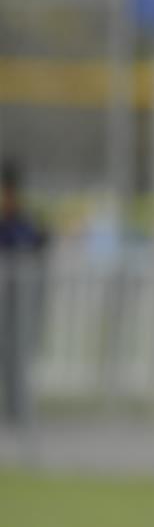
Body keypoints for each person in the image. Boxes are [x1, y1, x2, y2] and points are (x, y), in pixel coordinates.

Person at [0, 161, 49, 426]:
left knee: (16, 356)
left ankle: (16, 413)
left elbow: (38, 245)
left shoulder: (24, 224)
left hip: (16, 304)